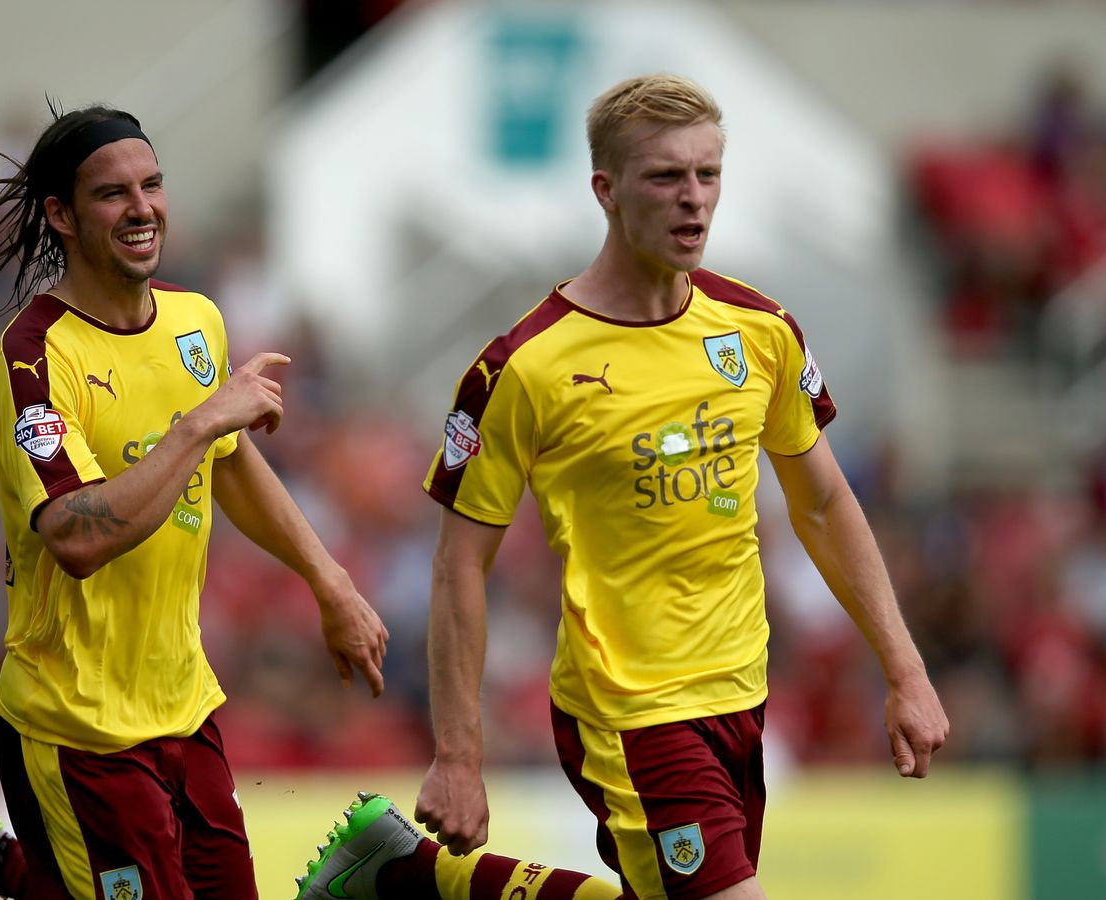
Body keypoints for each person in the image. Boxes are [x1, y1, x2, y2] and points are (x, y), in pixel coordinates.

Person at [302, 74, 950, 900]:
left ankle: (410, 878)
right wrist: (459, 755)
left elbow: (822, 503)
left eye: (708, 174)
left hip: (741, 695)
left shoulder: (760, 331)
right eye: (665, 176)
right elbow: (459, 565)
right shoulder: (525, 367)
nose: (693, 198)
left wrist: (905, 668)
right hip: (626, 709)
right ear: (605, 190)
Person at [0, 103, 390, 900]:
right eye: (112, 193)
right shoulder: (35, 354)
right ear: (61, 216)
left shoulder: (195, 320)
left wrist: (329, 582)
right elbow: (76, 537)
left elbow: (231, 464)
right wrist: (199, 423)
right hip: (76, 728)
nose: (142, 208)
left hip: (183, 709)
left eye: (152, 185)